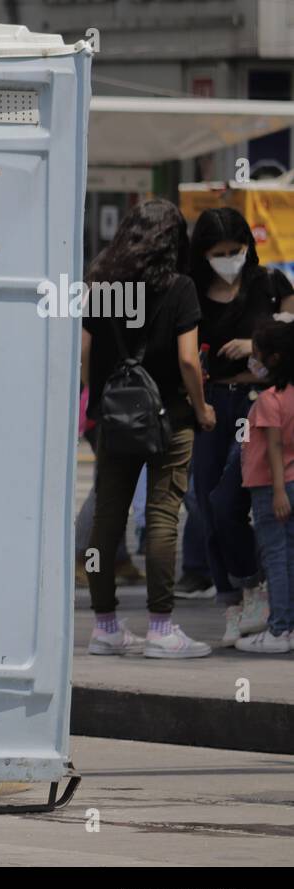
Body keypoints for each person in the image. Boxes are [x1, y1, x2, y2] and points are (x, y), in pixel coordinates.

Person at [81, 199, 216, 659]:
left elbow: (84, 352)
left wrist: (99, 400)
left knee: (107, 518)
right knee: (161, 516)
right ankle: (160, 629)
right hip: (170, 418)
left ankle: (105, 628)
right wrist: (202, 409)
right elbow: (187, 360)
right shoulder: (180, 288)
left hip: (113, 419)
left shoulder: (103, 283)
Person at [187, 207, 294, 645]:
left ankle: (257, 586)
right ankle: (234, 599)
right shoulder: (191, 290)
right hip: (212, 404)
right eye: (219, 253)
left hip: (260, 403)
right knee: (207, 504)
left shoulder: (269, 285)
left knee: (232, 497)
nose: (229, 259)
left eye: (236, 250)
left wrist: (257, 343)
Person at [237, 321, 294, 653]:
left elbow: (273, 447)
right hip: (289, 484)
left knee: (275, 558)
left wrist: (276, 491)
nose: (252, 359)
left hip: (271, 488)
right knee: (288, 556)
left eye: (256, 354)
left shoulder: (270, 400)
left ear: (272, 359)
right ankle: (287, 626)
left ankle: (279, 630)